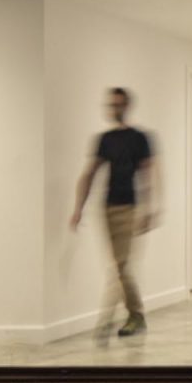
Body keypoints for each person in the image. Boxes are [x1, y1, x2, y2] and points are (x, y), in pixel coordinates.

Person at [70, 87, 154, 337]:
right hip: (107, 208)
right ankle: (135, 315)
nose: (114, 109)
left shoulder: (140, 138)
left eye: (118, 104)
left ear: (127, 106)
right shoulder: (104, 140)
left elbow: (147, 175)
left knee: (122, 264)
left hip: (130, 207)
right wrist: (78, 208)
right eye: (111, 105)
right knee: (119, 265)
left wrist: (148, 209)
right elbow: (89, 173)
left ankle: (110, 318)